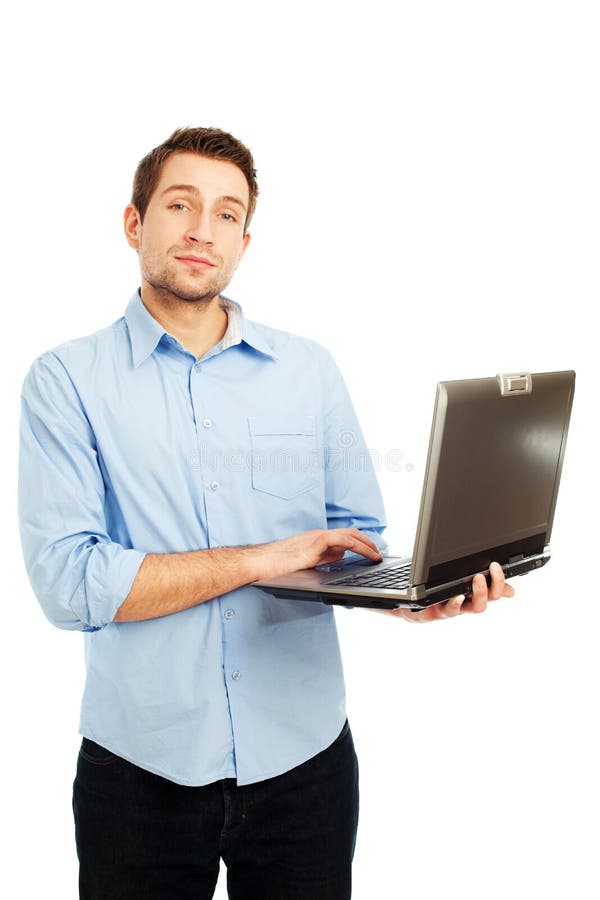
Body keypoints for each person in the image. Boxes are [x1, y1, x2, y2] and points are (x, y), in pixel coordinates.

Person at [18, 127, 514, 900]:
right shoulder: (65, 381)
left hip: (305, 765)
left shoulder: (308, 370)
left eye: (226, 214)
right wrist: (262, 558)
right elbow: (69, 583)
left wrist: (405, 595)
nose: (201, 230)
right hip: (140, 774)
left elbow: (353, 536)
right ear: (133, 222)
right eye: (180, 205)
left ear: (244, 242)